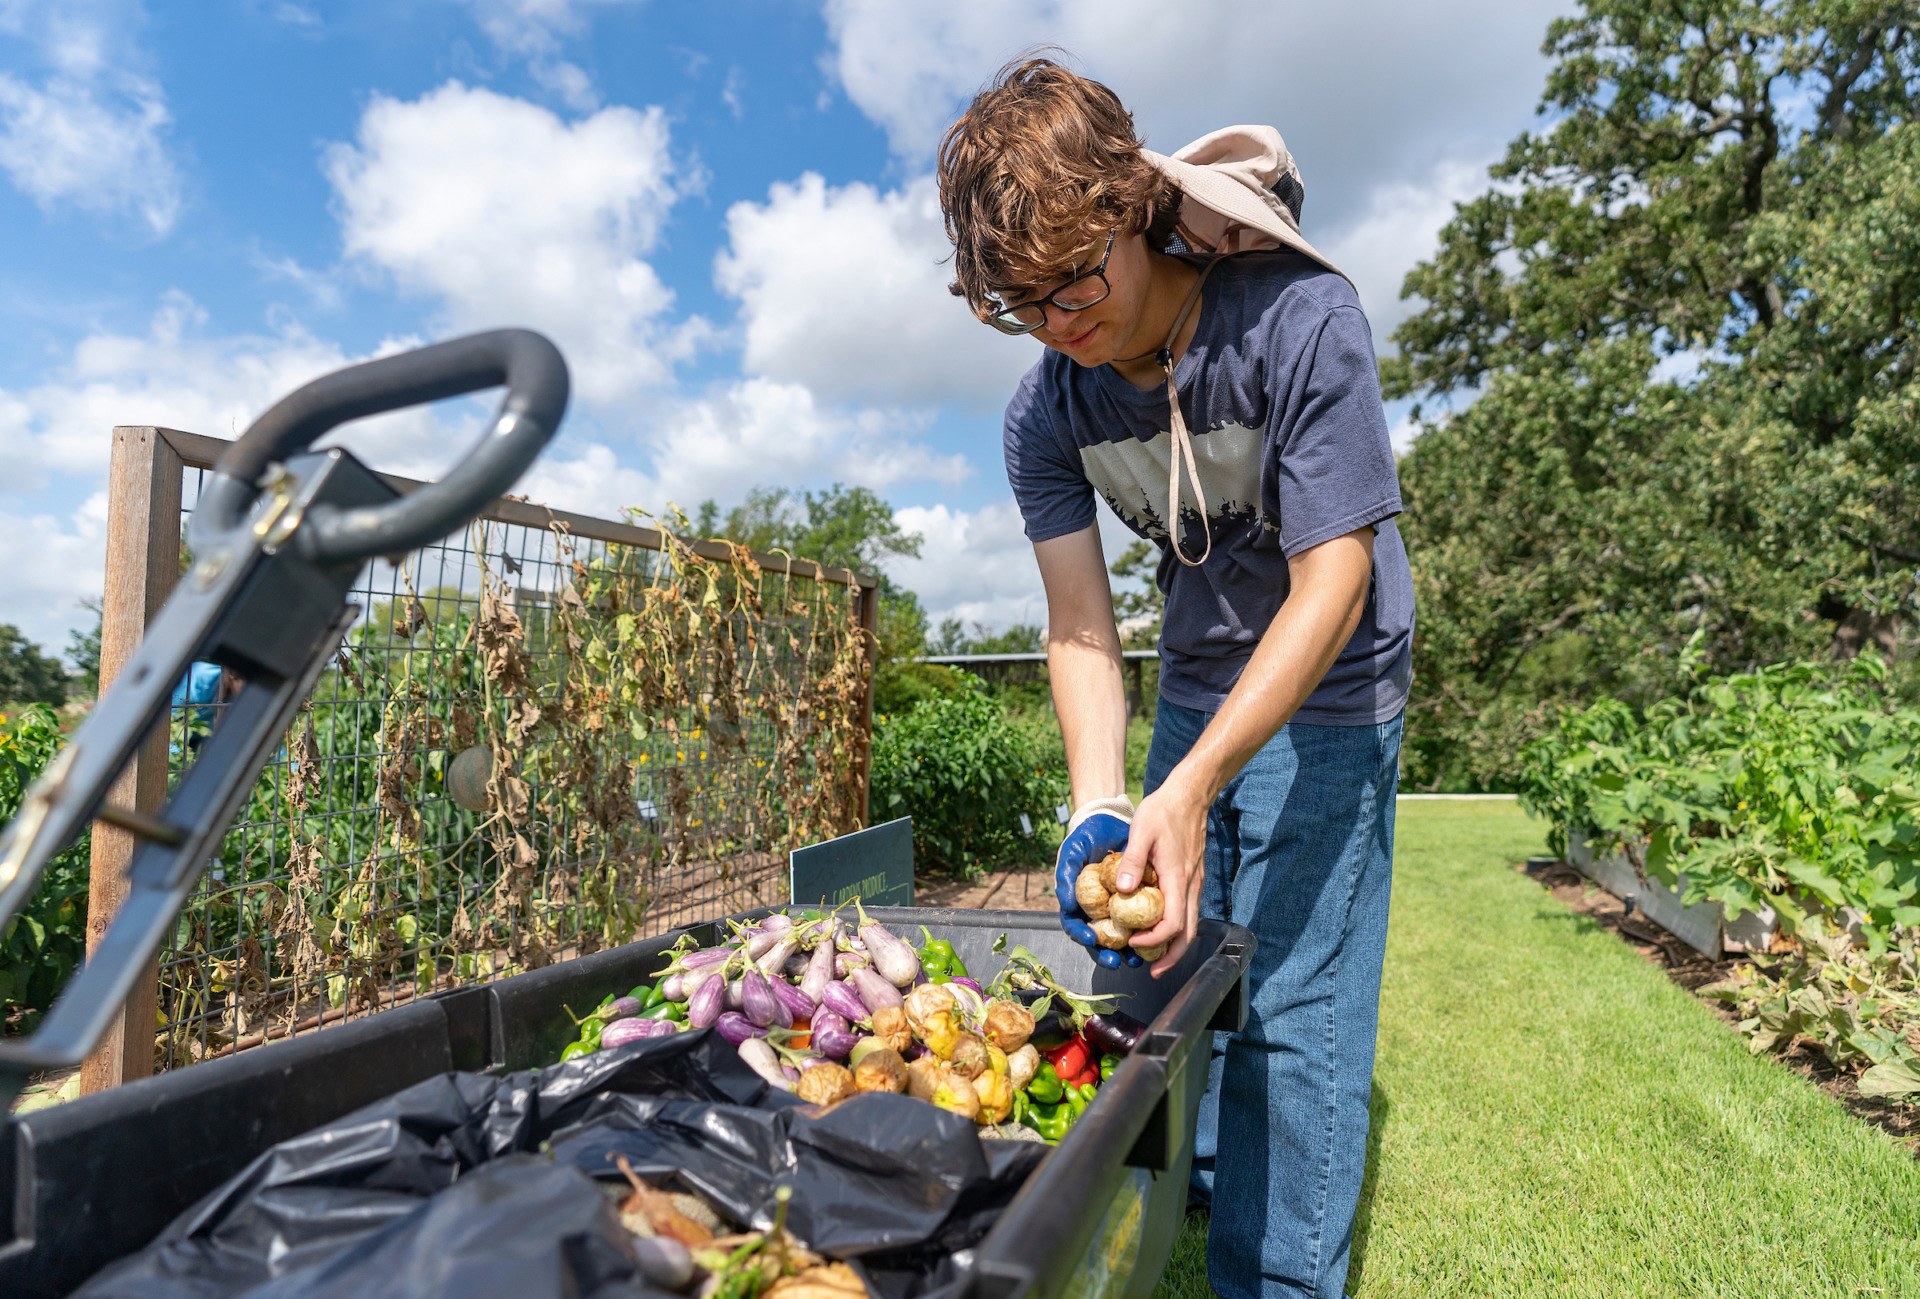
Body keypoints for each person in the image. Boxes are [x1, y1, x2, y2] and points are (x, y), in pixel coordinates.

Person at [936, 59, 1413, 1299]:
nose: (1058, 322)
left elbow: (1334, 580)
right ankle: (1187, 1193)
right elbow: (1080, 627)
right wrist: (1101, 801)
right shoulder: (1047, 412)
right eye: (1020, 304)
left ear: (1130, 210)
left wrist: (1192, 788)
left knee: (1293, 1005)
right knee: (1159, 971)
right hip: (1199, 673)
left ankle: (1277, 1279)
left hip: (1335, 677)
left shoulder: (1298, 321)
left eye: (1074, 278)